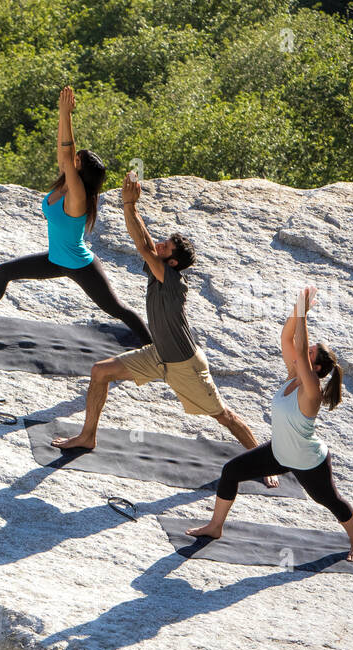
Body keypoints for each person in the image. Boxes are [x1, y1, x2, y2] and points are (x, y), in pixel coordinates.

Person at [51, 171, 276, 487]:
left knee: (224, 416)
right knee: (100, 371)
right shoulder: (160, 270)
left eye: (165, 246)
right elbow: (143, 241)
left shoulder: (171, 280)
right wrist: (130, 208)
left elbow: (143, 245)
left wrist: (130, 205)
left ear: (171, 263)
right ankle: (87, 436)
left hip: (186, 366)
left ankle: (263, 463)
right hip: (158, 355)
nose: (159, 244)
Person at [0, 86, 149, 345]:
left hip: (81, 265)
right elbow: (66, 151)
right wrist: (63, 115)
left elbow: (67, 153)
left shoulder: (78, 197)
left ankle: (157, 350)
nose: (71, 159)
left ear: (79, 169)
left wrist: (66, 113)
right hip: (54, 260)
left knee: (118, 309)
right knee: (3, 272)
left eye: (77, 160)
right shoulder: (68, 183)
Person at [186, 286, 353, 561]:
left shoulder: (312, 390)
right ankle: (216, 526)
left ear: (315, 368)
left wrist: (304, 315)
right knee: (231, 471)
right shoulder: (293, 374)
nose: (303, 353)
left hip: (307, 460)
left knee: (330, 501)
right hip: (279, 451)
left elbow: (302, 344)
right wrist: (297, 309)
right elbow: (287, 337)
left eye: (310, 353)